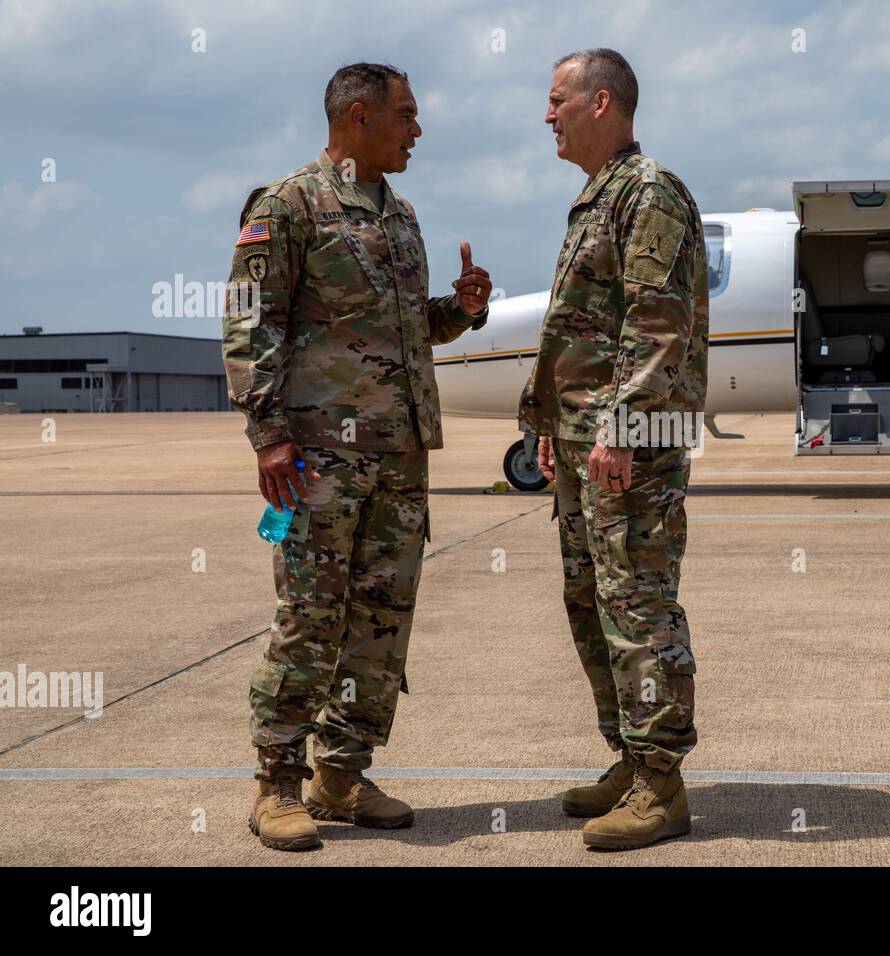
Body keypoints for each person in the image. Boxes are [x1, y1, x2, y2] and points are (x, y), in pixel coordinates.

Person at [222, 62, 492, 851]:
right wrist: (268, 434)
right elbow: (248, 325)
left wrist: (459, 309)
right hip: (319, 459)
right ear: (360, 116)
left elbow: (406, 332)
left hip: (399, 459)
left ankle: (341, 773)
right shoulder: (288, 206)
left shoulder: (400, 215)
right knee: (310, 619)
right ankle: (277, 782)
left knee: (380, 624)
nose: (417, 130)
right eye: (406, 116)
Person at [518, 48, 709, 850]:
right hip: (591, 442)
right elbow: (582, 332)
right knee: (591, 604)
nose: (547, 114)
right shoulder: (597, 200)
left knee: (638, 608)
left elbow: (656, 324)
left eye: (558, 99)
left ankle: (662, 785)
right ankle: (630, 760)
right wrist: (551, 423)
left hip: (635, 444)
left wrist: (622, 429)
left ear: (602, 103)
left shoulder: (648, 193)